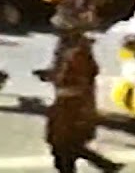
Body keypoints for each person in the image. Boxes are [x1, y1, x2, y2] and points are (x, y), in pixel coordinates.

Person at [45, 29, 119, 173]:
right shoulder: (69, 52)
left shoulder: (77, 54)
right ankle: (105, 164)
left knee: (63, 145)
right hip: (66, 104)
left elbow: (76, 79)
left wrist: (55, 77)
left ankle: (104, 164)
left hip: (72, 105)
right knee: (64, 145)